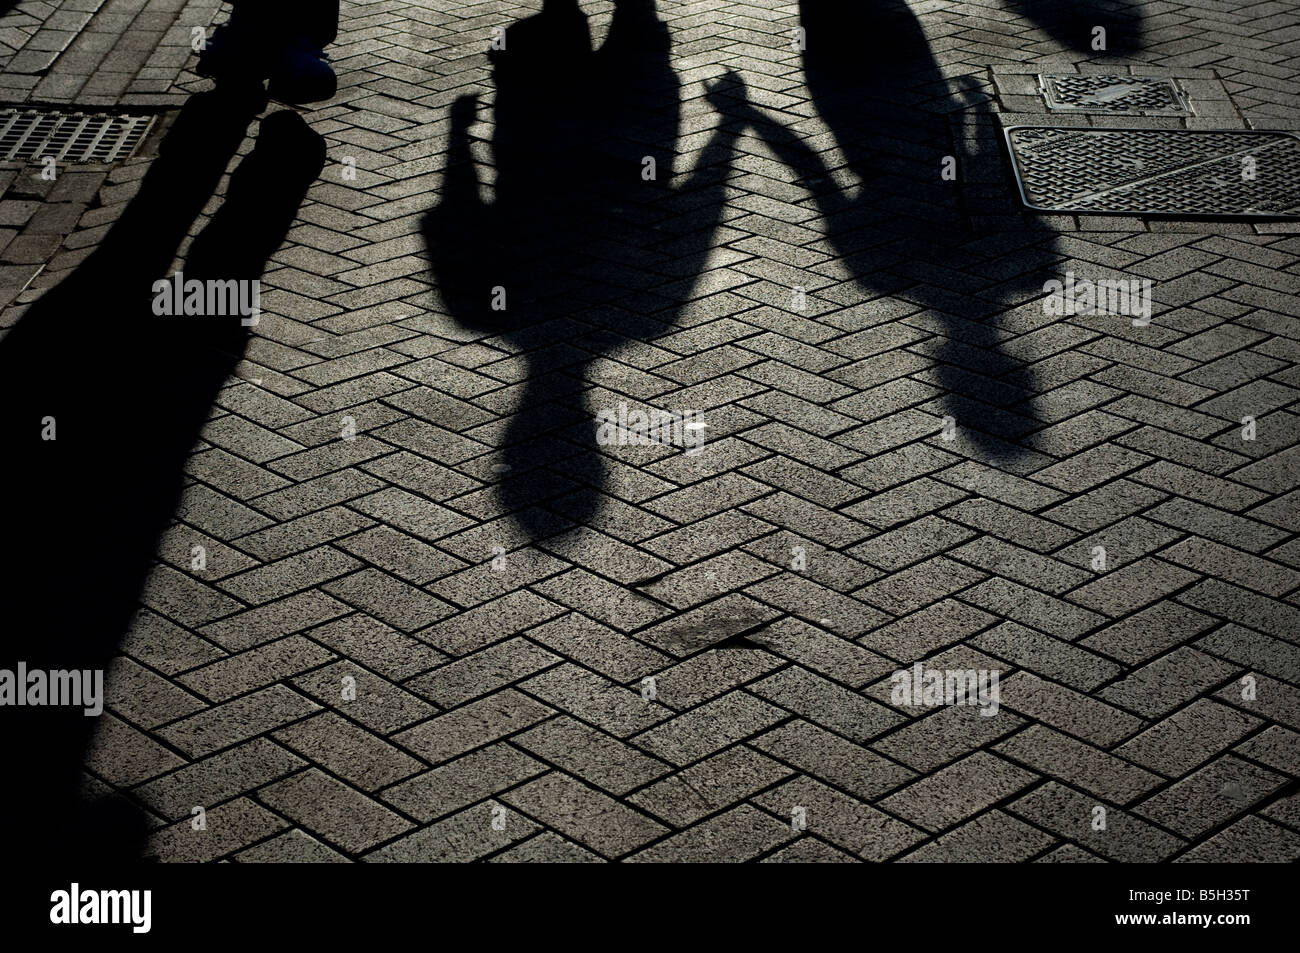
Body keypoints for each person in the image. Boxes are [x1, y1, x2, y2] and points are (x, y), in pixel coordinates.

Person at [196, 0, 340, 104]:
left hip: (265, 41)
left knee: (222, 55)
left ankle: (238, 74)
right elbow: (326, 31)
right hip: (257, 40)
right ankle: (239, 74)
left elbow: (326, 30)